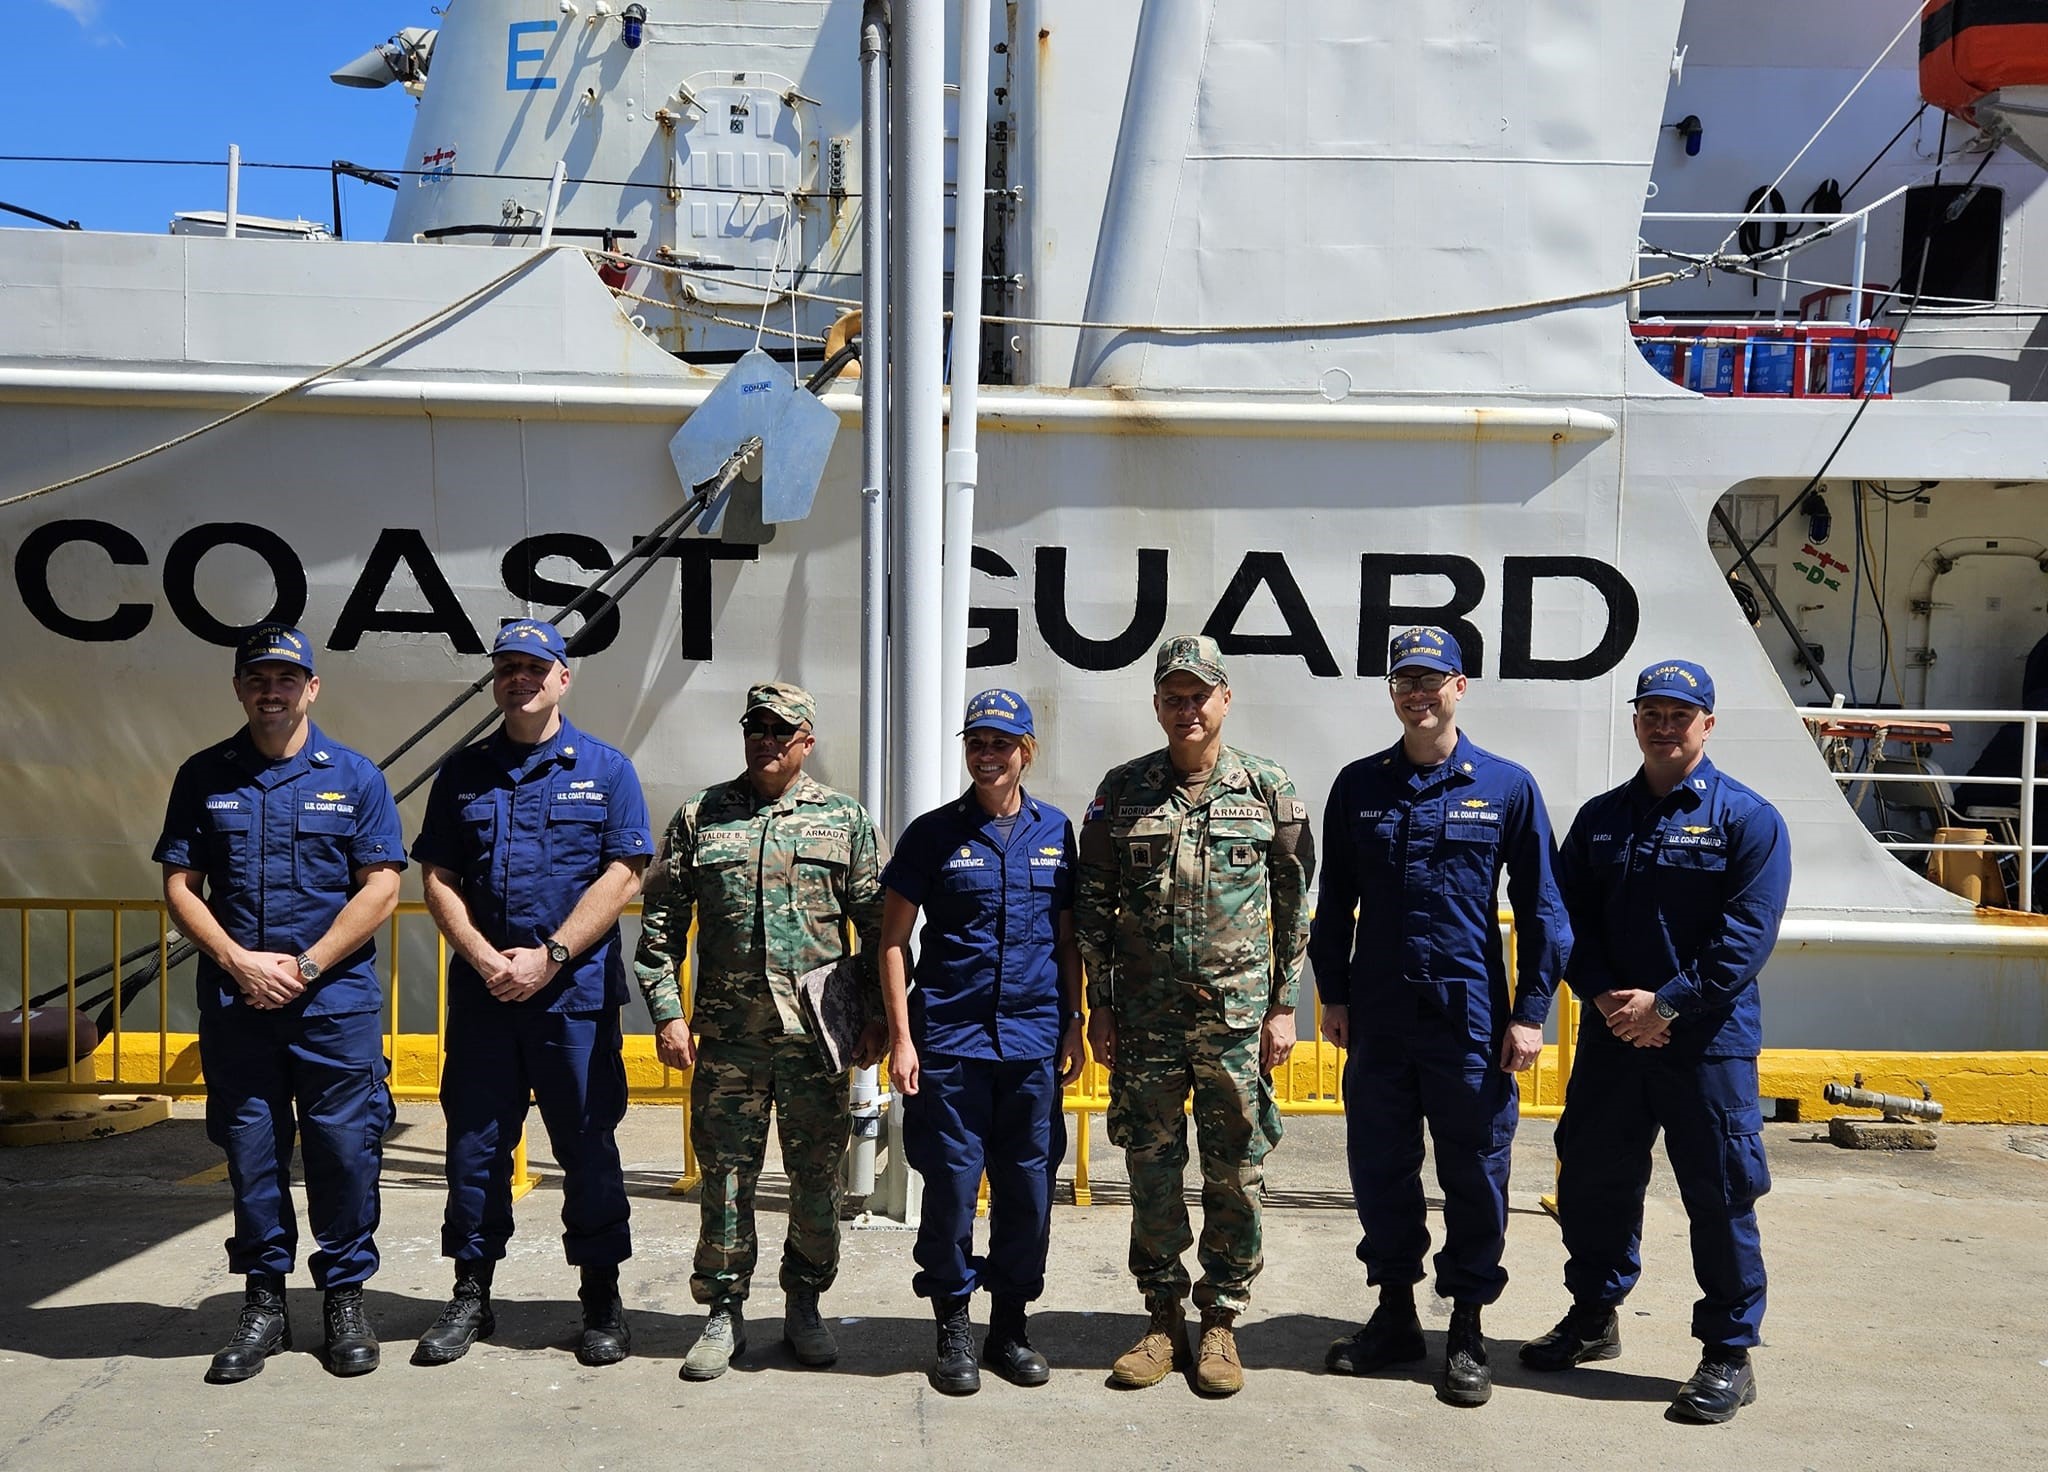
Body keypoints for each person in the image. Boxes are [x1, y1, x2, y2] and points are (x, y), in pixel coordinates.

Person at [1520, 659, 1790, 1425]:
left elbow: (1746, 937)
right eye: (1652, 713)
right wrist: (1607, 996)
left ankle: (1729, 1353)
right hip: (1613, 1036)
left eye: (1680, 714)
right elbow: (1565, 920)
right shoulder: (1604, 818)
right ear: (1636, 721)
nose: (1664, 726)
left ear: (1708, 723)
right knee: (1595, 1181)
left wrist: (1665, 1005)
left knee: (1721, 1193)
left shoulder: (1748, 819)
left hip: (1708, 1044)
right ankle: (1593, 1315)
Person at [1310, 627, 1570, 1407]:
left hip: (1470, 1020)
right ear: (1392, 693)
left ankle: (1464, 1327)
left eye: (1432, 680)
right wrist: (1334, 994)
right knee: (1381, 1169)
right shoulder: (1359, 786)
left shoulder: (1506, 786)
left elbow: (1543, 910)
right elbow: (1336, 908)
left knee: (1476, 1173)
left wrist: (1530, 1014)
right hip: (1382, 1017)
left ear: (1461, 687)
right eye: (1403, 682)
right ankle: (1394, 1315)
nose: (1417, 694)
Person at [155, 623, 404, 1383]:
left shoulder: (356, 777)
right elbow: (178, 884)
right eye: (259, 678)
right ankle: (263, 1302)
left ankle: (344, 1299)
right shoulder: (204, 776)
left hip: (332, 1005)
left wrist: (304, 965)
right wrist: (235, 961)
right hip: (240, 1005)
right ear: (239, 688)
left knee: (343, 1150)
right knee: (252, 1153)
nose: (273, 690)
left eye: (287, 679)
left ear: (312, 689)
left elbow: (383, 886)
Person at [1076, 634, 1314, 1397]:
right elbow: (1093, 909)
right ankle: (1161, 1318)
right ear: (1156, 705)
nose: (1186, 709)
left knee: (1234, 1173)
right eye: (1172, 697)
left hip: (1236, 1021)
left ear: (1224, 699)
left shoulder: (1268, 788)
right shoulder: (1122, 792)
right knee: (1150, 1168)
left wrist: (1283, 1005)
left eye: (1198, 695)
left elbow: (1293, 903)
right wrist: (1101, 1006)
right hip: (1145, 1023)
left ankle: (1221, 1320)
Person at [411, 619, 650, 1368]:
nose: (521, 677)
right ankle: (472, 1294)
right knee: (476, 1149)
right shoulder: (463, 773)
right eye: (508, 667)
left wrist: (548, 957)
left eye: (534, 666)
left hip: (571, 998)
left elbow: (624, 875)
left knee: (587, 1147)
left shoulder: (606, 770)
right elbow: (438, 877)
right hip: (487, 998)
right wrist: (486, 959)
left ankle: (602, 1300)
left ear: (562, 678)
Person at [633, 682, 886, 1382]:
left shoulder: (844, 820)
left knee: (814, 1182)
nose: (767, 740)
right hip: (731, 1041)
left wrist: (876, 1018)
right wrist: (666, 1014)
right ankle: (723, 1309)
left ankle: (804, 1301)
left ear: (807, 740)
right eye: (757, 728)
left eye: (781, 730)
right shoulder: (700, 817)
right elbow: (660, 927)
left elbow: (877, 928)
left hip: (816, 1042)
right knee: (725, 1180)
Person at [877, 689, 1086, 1396]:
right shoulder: (933, 834)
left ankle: (1011, 1327)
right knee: (952, 1191)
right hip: (952, 1043)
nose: (987, 754)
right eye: (977, 742)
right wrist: (902, 1038)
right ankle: (954, 1326)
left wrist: (1075, 1022)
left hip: (1030, 1045)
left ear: (1027, 751)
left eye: (1001, 743)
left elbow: (1065, 941)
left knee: (1029, 1191)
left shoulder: (1056, 831)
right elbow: (894, 942)